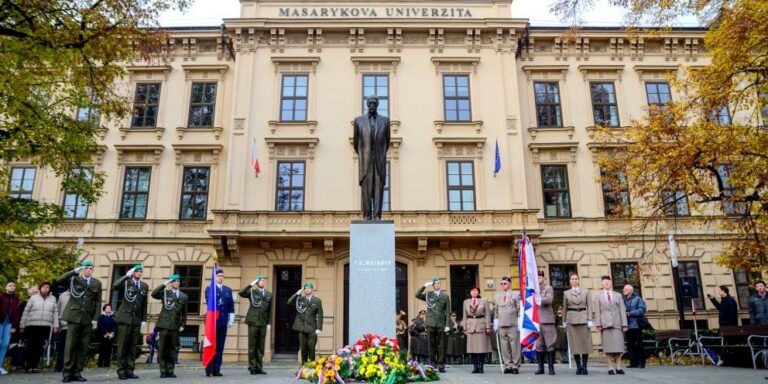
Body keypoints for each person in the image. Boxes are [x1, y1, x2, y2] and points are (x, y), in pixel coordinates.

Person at [56, 261, 102, 383]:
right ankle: (67, 372)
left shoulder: (97, 283)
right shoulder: (75, 280)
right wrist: (73, 271)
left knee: (83, 347)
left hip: (87, 318)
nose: (89, 270)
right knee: (70, 346)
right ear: (83, 269)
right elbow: (59, 279)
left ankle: (77, 372)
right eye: (87, 268)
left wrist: (95, 319)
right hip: (74, 316)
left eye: (91, 269)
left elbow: (98, 302)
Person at [352, 95, 391, 220]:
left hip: (379, 160)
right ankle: (367, 215)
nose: (372, 105)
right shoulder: (358, 121)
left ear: (378, 105)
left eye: (374, 103)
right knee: (366, 188)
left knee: (379, 188)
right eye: (370, 103)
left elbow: (387, 141)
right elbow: (356, 143)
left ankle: (378, 215)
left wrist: (379, 153)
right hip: (366, 161)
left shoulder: (385, 121)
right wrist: (364, 154)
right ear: (367, 104)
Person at [112, 264, 148, 379]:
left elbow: (144, 304)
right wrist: (125, 276)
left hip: (136, 319)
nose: (139, 273)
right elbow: (115, 286)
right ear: (133, 273)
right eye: (137, 271)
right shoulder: (126, 283)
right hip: (125, 318)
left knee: (132, 347)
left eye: (140, 271)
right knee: (123, 346)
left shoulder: (144, 286)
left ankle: (130, 369)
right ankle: (121, 370)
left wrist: (143, 319)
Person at [151, 274, 188, 379]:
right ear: (171, 283)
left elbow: (184, 313)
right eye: (174, 281)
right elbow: (154, 294)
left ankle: (170, 370)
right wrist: (164, 284)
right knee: (163, 349)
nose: (177, 283)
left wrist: (183, 325)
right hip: (164, 325)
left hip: (175, 326)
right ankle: (163, 370)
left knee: (172, 350)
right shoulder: (165, 293)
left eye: (178, 281)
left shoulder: (183, 296)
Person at [20, 281, 59, 373]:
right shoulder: (33, 298)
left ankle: (35, 365)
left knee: (39, 346)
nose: (45, 288)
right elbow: (26, 311)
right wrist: (22, 325)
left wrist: (56, 326)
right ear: (40, 288)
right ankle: (28, 365)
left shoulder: (53, 299)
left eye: (47, 287)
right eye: (44, 287)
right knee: (30, 346)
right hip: (32, 325)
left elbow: (55, 313)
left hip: (45, 326)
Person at [415, 277, 450, 373]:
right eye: (435, 284)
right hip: (430, 323)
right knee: (431, 344)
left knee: (441, 345)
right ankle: (432, 364)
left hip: (441, 323)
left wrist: (447, 325)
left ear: (440, 285)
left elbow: (447, 311)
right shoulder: (428, 294)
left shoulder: (445, 296)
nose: (437, 285)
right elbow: (417, 295)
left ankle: (441, 364)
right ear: (433, 285)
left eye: (439, 283)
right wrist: (424, 286)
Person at [204, 269, 235, 377]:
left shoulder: (228, 290)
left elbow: (231, 305)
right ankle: (209, 369)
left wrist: (231, 318)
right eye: (219, 275)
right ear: (215, 277)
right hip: (212, 323)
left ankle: (217, 369)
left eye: (222, 276)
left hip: (222, 323)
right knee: (211, 345)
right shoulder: (210, 289)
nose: (221, 277)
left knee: (220, 347)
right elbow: (209, 302)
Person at [238, 275, 272, 375]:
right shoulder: (252, 292)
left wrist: (268, 323)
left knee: (261, 347)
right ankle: (252, 367)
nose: (262, 282)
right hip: (253, 322)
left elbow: (270, 310)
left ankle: (259, 367)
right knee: (252, 346)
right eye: (260, 281)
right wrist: (250, 284)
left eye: (263, 281)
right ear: (257, 283)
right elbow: (241, 293)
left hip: (263, 322)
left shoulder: (269, 294)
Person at [595, 276, 627, 375]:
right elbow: (597, 311)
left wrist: (624, 324)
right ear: (602, 284)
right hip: (605, 325)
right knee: (608, 348)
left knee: (619, 347)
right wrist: (598, 324)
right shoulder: (598, 296)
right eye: (604, 282)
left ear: (611, 282)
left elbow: (622, 310)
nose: (606, 284)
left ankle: (618, 367)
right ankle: (610, 367)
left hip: (617, 324)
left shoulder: (618, 295)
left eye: (608, 282)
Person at [563, 273, 593, 375]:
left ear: (578, 280)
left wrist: (590, 319)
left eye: (576, 279)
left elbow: (589, 306)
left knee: (585, 344)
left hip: (584, 318)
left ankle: (584, 366)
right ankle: (578, 366)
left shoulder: (585, 292)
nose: (574, 280)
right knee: (575, 344)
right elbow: (565, 308)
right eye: (572, 279)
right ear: (570, 281)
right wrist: (564, 320)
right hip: (571, 320)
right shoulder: (566, 293)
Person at [287, 282, 323, 363]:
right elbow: (289, 302)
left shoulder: (317, 300)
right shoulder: (300, 299)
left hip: (312, 328)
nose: (307, 290)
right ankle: (303, 367)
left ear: (312, 289)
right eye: (306, 288)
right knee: (303, 348)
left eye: (309, 288)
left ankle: (312, 366)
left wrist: (319, 328)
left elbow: (320, 315)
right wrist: (297, 293)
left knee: (311, 348)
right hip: (301, 327)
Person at [493, 276, 521, 374]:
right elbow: (496, 309)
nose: (503, 285)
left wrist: (520, 320)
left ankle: (515, 365)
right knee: (504, 346)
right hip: (501, 324)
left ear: (509, 284)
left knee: (514, 345)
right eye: (501, 283)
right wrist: (495, 321)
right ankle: (508, 365)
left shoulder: (516, 294)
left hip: (512, 323)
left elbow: (519, 308)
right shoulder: (497, 296)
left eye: (505, 283)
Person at [463, 286, 491, 374]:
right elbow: (464, 315)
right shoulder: (466, 302)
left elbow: (487, 314)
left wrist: (488, 326)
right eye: (472, 290)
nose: (474, 292)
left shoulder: (484, 300)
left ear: (478, 292)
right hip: (470, 325)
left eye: (476, 290)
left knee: (481, 348)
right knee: (472, 349)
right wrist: (465, 328)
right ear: (470, 292)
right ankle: (475, 367)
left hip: (480, 325)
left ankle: (481, 366)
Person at [536, 270, 557, 375]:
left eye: (540, 277)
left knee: (550, 344)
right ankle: (541, 368)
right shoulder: (533, 289)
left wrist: (537, 298)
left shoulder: (548, 288)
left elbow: (549, 300)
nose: (538, 279)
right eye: (537, 277)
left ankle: (551, 368)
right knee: (539, 345)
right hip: (536, 321)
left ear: (543, 278)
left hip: (547, 320)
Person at [623, 284, 647, 368]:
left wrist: (630, 313)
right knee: (630, 345)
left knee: (639, 344)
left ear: (631, 291)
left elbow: (642, 310)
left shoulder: (638, 299)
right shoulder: (624, 300)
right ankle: (633, 363)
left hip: (636, 325)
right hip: (627, 326)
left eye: (625, 289)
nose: (624, 290)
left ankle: (641, 362)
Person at [0, 282, 20, 375]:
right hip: (0, 322)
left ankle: (0, 366)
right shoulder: (1, 296)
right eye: (10, 285)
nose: (12, 287)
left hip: (9, 324)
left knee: (5, 344)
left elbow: (17, 313)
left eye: (13, 285)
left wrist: (14, 326)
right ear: (6, 287)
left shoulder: (16, 298)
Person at [55, 291, 70, 372]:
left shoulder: (81, 293)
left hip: (75, 326)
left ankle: (69, 366)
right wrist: (57, 325)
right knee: (61, 347)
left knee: (72, 348)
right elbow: (58, 310)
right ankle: (59, 365)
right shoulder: (63, 295)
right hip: (64, 326)